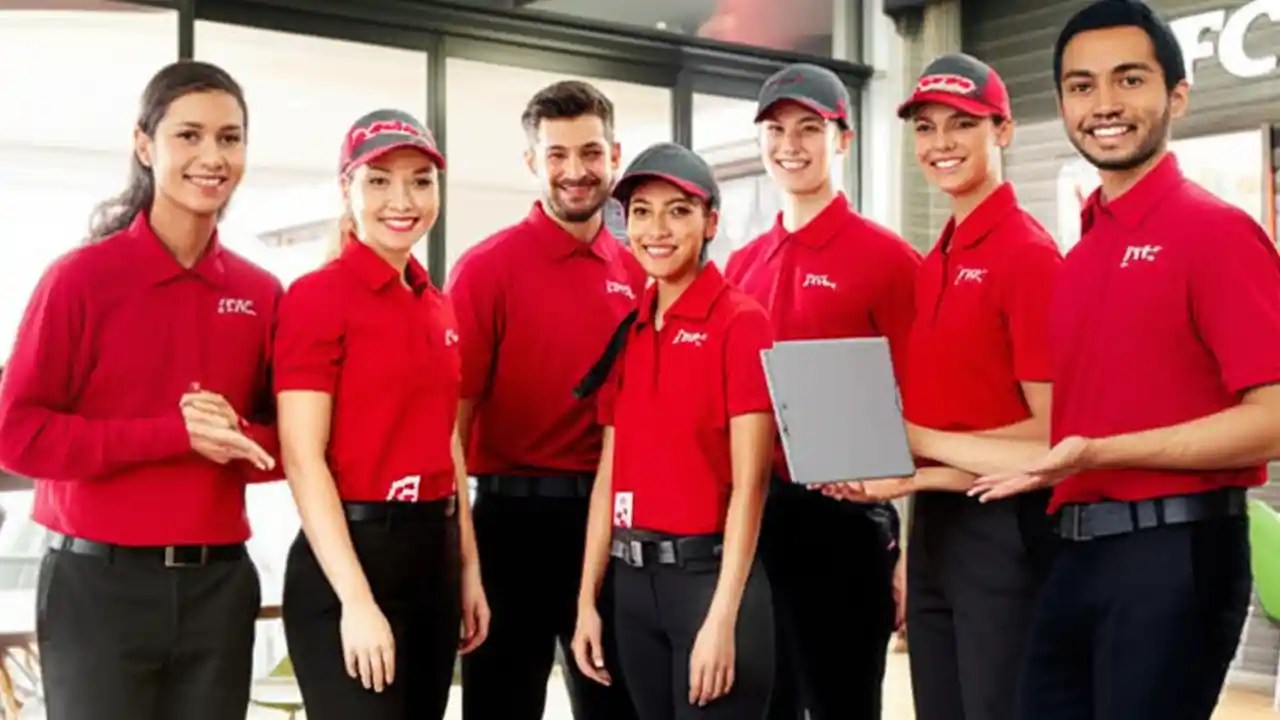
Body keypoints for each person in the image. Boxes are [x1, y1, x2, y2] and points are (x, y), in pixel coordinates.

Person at [970, 2, 1280, 718]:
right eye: (1082, 86)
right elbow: (1058, 443)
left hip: (1175, 553)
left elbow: (1271, 421)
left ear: (1175, 95)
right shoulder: (1078, 257)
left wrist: (1100, 452)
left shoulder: (1216, 234)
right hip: (1075, 553)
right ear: (1061, 104)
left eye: (1128, 80)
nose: (1104, 104)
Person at [0, 60, 280, 720]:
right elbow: (17, 435)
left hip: (220, 588)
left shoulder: (261, 293)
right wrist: (173, 433)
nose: (212, 156)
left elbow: (292, 441)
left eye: (230, 138)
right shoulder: (78, 281)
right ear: (144, 144)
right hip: (96, 590)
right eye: (189, 135)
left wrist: (233, 436)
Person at [826, 53, 1062, 720]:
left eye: (962, 124)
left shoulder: (1027, 255)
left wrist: (910, 448)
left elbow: (1053, 439)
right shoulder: (935, 260)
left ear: (1004, 131)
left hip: (1007, 537)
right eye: (926, 129)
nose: (941, 144)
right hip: (940, 527)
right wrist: (906, 485)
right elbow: (950, 430)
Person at [273, 109, 490, 719]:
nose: (403, 199)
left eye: (421, 180)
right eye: (379, 180)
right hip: (351, 558)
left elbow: (448, 444)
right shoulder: (316, 298)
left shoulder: (437, 304)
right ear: (347, 189)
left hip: (433, 556)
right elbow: (302, 457)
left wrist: (467, 571)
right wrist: (357, 601)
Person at [723, 62, 920, 720]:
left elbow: (924, 409)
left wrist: (909, 556)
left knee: (843, 705)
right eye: (775, 130)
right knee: (763, 703)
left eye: (810, 128)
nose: (790, 145)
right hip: (757, 518)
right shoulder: (741, 265)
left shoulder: (889, 260)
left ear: (844, 140)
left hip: (847, 523)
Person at [446, 80, 644, 720]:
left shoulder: (642, 270)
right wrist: (467, 560)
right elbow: (453, 426)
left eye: (589, 152)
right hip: (510, 528)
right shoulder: (486, 269)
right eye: (556, 155)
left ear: (614, 155)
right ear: (532, 162)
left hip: (612, 530)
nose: (575, 171)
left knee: (617, 709)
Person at [572, 141, 776, 720]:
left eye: (678, 210)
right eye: (641, 211)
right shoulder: (631, 329)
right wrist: (589, 599)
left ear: (711, 221)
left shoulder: (742, 321)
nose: (656, 229)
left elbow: (751, 483)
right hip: (633, 590)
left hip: (708, 582)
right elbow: (610, 474)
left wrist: (721, 618)